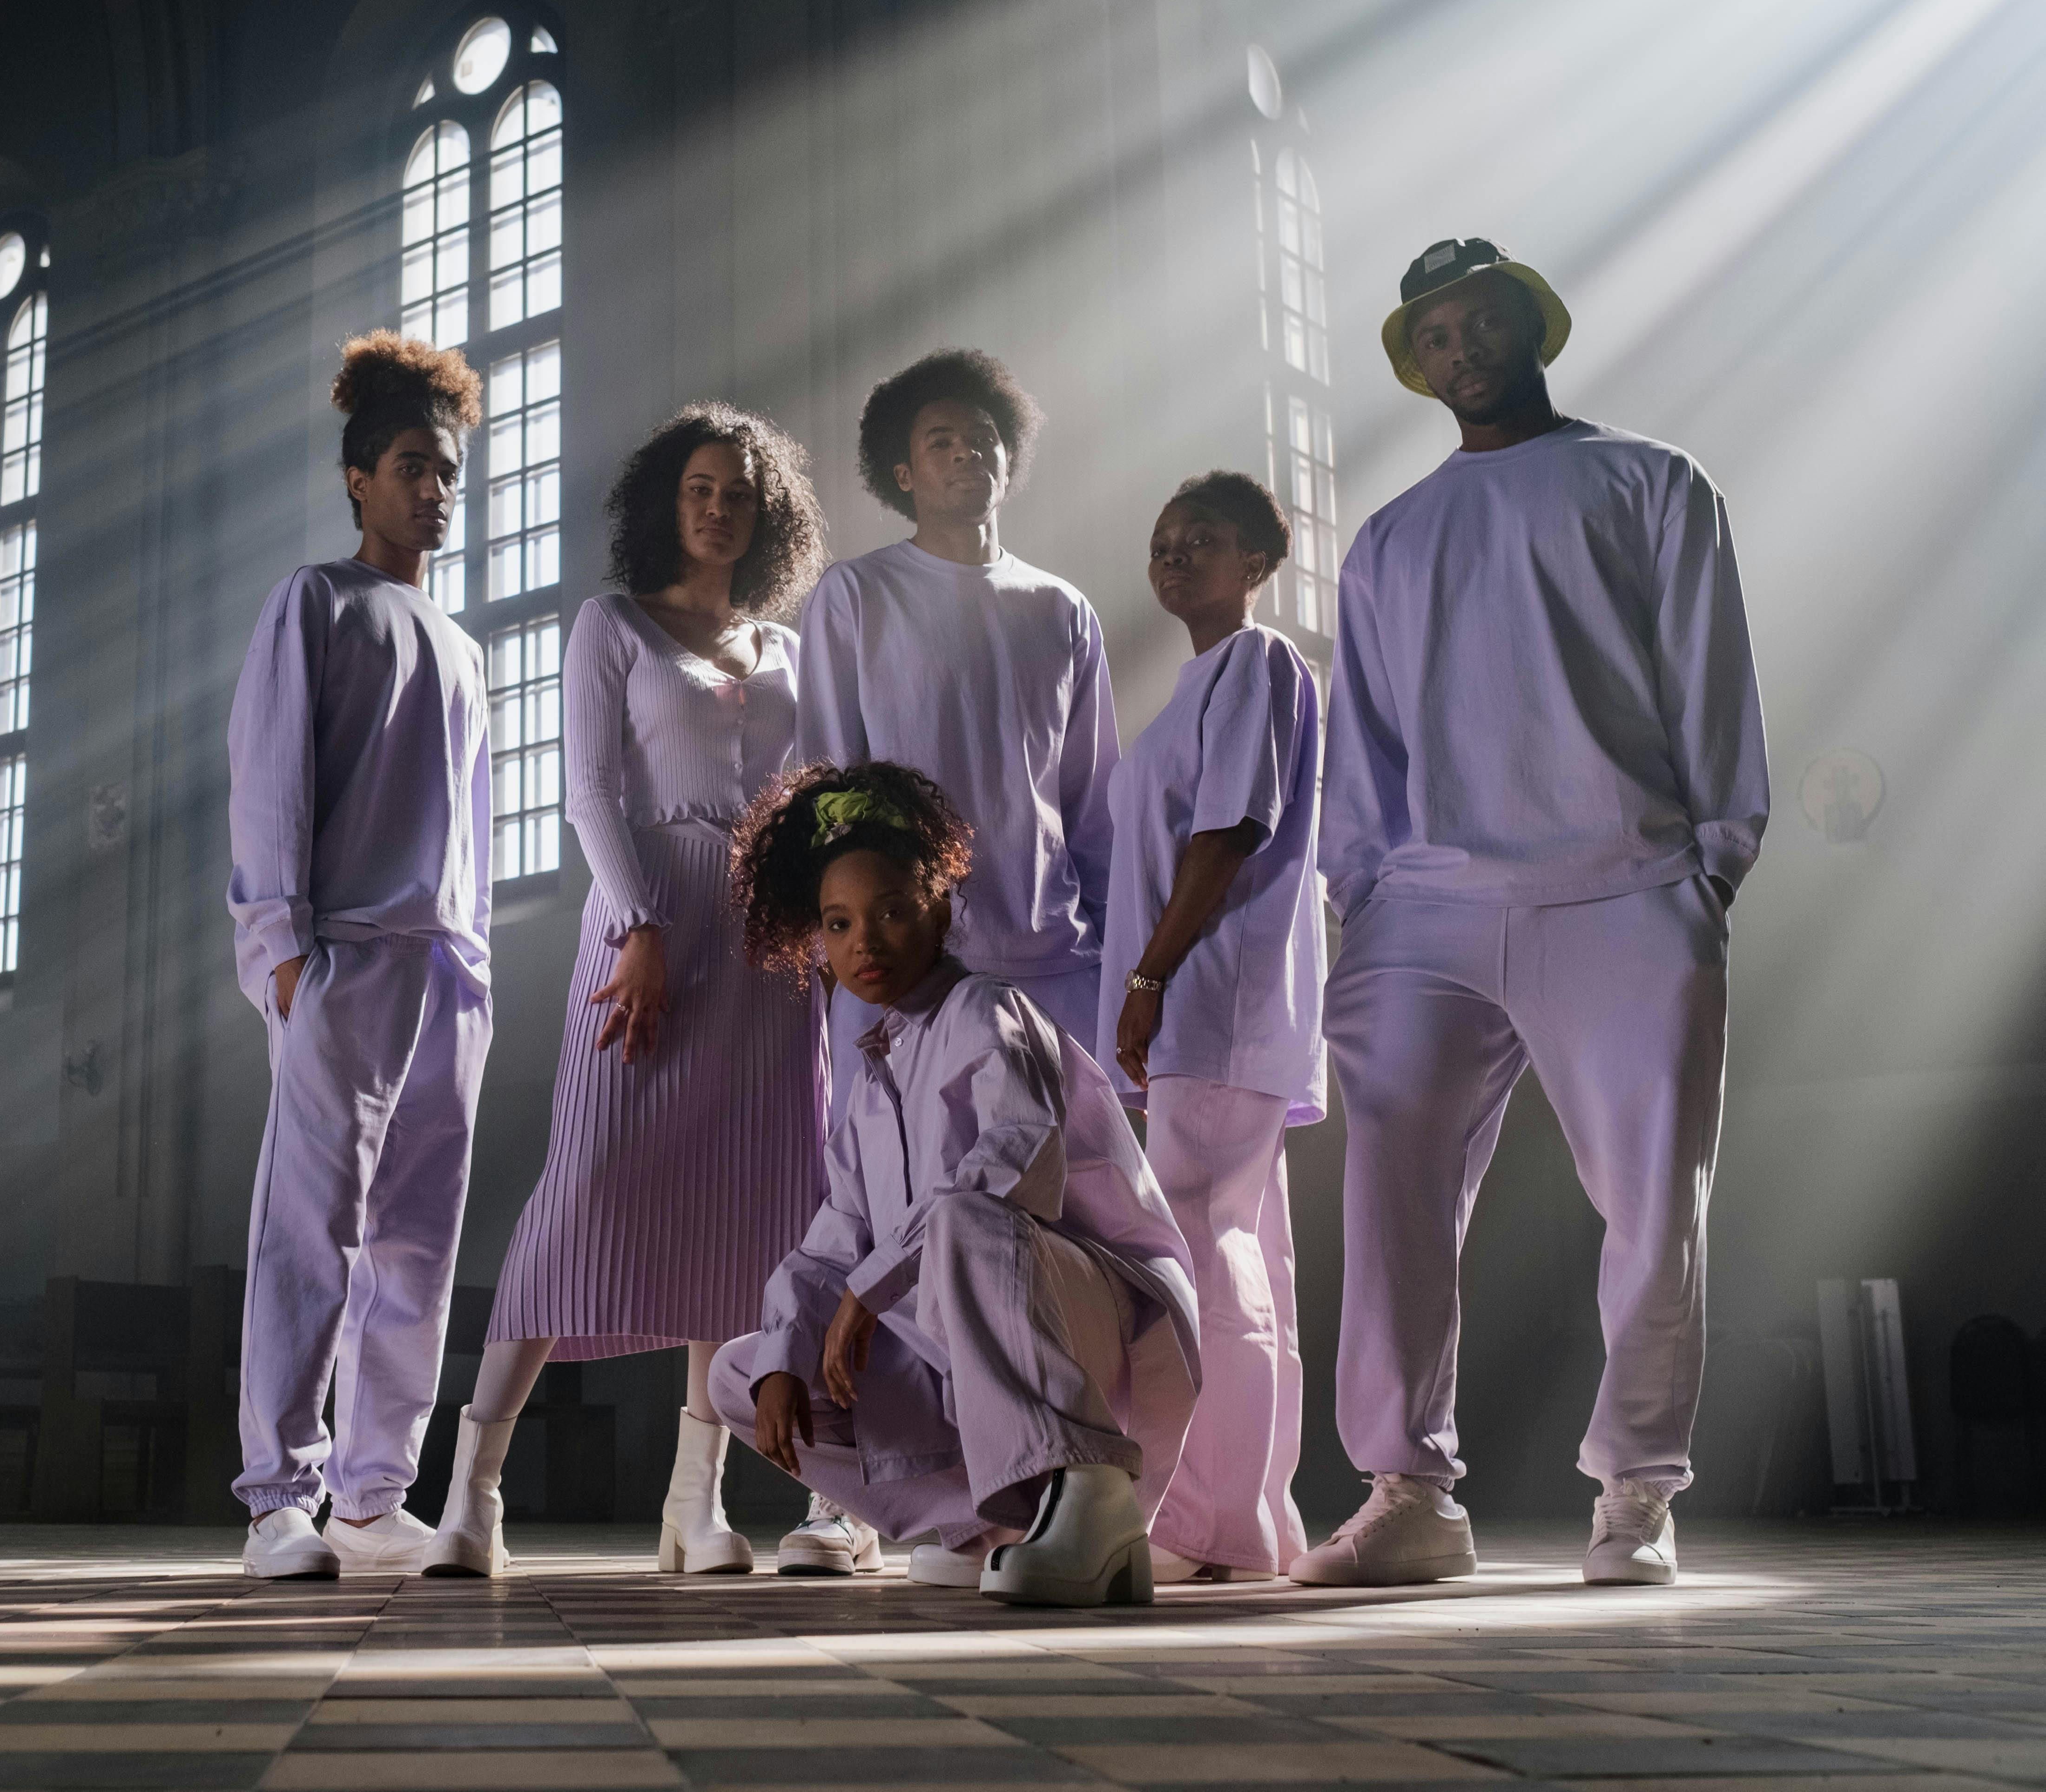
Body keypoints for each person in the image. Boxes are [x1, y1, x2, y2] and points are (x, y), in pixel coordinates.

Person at [1295, 239, 1767, 1590]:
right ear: (1415, 364)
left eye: (1479, 318)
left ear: (1528, 323)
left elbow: (1707, 680)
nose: (1460, 346)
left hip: (1624, 886)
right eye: (1431, 335)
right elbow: (1364, 741)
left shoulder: (1650, 482)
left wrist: (1704, 866)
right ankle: (1408, 1491)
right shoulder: (1389, 536)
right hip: (1423, 909)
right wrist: (1364, 891)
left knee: (1648, 1199)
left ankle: (1633, 1490)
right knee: (1390, 1187)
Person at [421, 404, 839, 1579]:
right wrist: (644, 925)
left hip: (768, 949)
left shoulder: (790, 652)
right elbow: (592, 796)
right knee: (585, 1187)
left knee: (741, 1218)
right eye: (699, 488)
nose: (717, 508)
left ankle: (694, 1503)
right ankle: (472, 1494)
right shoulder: (609, 626)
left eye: (739, 495)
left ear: (766, 518)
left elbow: (803, 806)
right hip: (646, 921)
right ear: (667, 499)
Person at [707, 761, 1201, 1607]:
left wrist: (873, 1286)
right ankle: (985, 1521)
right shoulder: (875, 1078)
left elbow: (1017, 1162)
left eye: (893, 910)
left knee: (971, 1218)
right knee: (740, 1372)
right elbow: (833, 1241)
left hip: (1090, 1312)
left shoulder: (985, 1010)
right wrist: (790, 1348)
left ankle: (1088, 1493)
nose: (866, 940)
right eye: (839, 922)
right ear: (817, 943)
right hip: (964, 1339)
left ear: (940, 905)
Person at [225, 332, 493, 1579]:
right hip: (340, 956)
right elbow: (272, 781)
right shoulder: (316, 601)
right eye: (408, 466)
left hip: (446, 970)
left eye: (444, 471)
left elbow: (472, 831)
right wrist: (279, 946)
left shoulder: (467, 645)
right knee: (310, 1231)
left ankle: (376, 1493)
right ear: (355, 478)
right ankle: (279, 1491)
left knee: (417, 1244)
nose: (431, 490)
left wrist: (475, 959)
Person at [1102, 472, 1325, 1584]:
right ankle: (1256, 1520)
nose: (1174, 557)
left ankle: (1204, 1520)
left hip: (1211, 998)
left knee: (1200, 1253)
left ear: (1254, 562)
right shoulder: (1195, 686)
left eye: (1202, 540)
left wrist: (1146, 978)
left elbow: (1229, 829)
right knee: (1249, 1261)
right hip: (1210, 1010)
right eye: (1161, 543)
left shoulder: (1256, 662)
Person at [797, 349, 1119, 1085]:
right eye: (939, 441)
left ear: (1009, 460)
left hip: (1055, 958)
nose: (966, 451)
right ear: (902, 476)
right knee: (900, 1193)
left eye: (981, 437)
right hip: (907, 961)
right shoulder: (855, 595)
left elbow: (1091, 801)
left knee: (1072, 1192)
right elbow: (825, 786)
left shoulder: (1063, 608)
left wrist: (1115, 954)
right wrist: (833, 954)